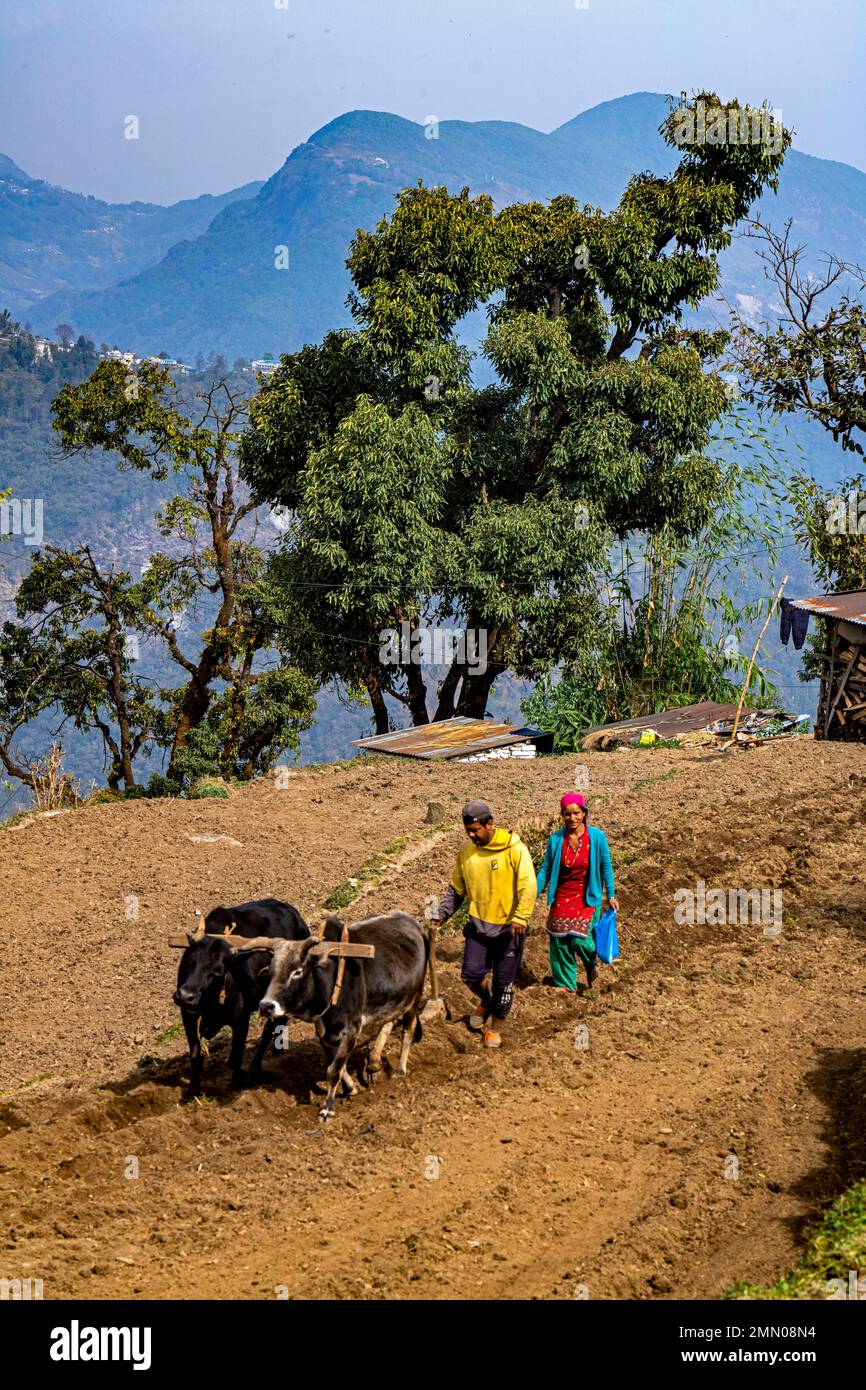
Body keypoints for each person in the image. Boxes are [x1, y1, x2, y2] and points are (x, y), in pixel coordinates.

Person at [430, 800, 537, 1049]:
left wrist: (521, 916)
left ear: (490, 824)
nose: (471, 835)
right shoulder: (467, 852)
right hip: (479, 926)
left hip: (509, 929)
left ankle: (495, 1027)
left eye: (475, 829)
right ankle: (487, 1001)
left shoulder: (514, 848)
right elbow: (456, 890)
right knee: (471, 975)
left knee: (503, 983)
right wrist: (442, 914)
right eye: (467, 830)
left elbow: (528, 884)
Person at [536, 793, 619, 992]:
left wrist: (612, 894)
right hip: (563, 897)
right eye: (567, 814)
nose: (572, 818)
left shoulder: (597, 837)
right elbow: (546, 869)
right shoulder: (556, 840)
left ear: (584, 813)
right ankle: (566, 985)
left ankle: (590, 965)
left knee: (581, 940)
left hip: (587, 898)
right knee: (560, 940)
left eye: (576, 813)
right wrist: (532, 892)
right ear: (562, 816)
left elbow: (606, 866)